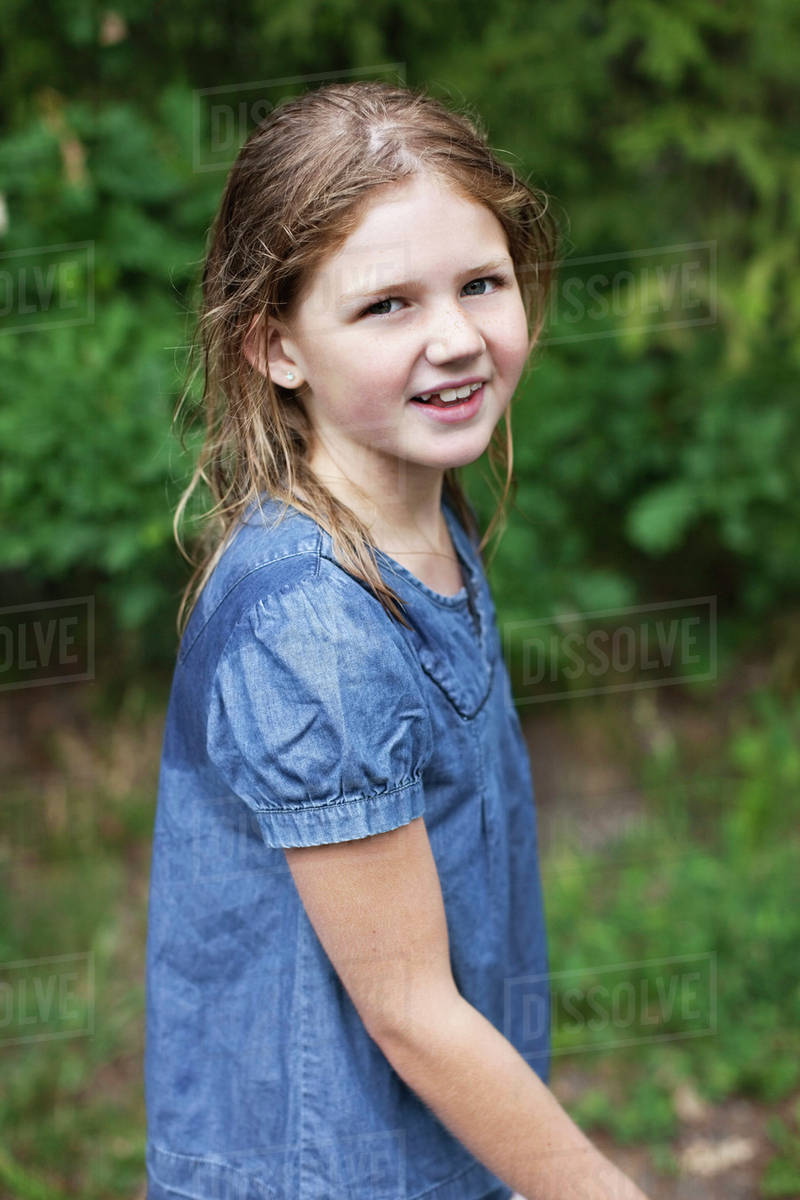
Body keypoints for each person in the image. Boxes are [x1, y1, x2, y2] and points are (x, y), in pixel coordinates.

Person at [144, 80, 650, 1200]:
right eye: (387, 307)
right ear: (275, 347)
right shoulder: (310, 630)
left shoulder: (417, 519)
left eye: (480, 283)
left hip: (427, 1153)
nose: (457, 338)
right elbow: (412, 1015)